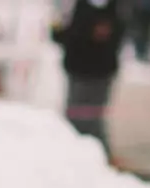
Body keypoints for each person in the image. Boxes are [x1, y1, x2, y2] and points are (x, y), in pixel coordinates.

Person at [52, 0, 128, 150]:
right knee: (79, 117)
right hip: (80, 66)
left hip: (96, 68)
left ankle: (95, 157)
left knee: (89, 118)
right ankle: (85, 156)